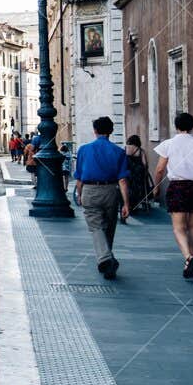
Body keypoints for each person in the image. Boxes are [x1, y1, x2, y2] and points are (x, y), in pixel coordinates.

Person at [153, 111, 193, 280]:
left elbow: (160, 169)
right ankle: (190, 262)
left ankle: (188, 258)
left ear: (176, 126)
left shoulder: (168, 144)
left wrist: (156, 187)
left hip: (177, 187)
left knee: (178, 227)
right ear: (192, 126)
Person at [73, 116, 132, 279]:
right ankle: (107, 261)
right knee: (109, 226)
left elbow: (79, 177)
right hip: (111, 190)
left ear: (95, 131)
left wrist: (79, 194)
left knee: (95, 227)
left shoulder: (84, 150)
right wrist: (126, 203)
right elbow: (122, 180)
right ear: (111, 131)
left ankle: (105, 259)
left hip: (90, 190)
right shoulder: (119, 152)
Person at [124, 134, 154, 212]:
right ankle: (140, 201)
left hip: (128, 172)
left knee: (128, 186)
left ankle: (129, 203)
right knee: (142, 185)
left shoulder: (125, 148)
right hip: (139, 173)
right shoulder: (141, 151)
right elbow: (145, 164)